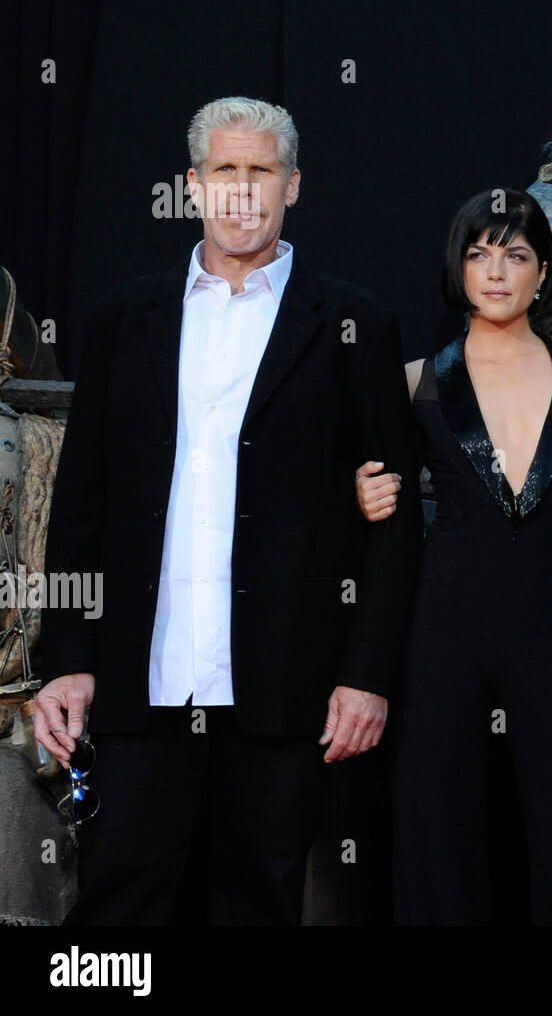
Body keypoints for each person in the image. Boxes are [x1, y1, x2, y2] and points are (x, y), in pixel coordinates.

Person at [33, 97, 422, 925]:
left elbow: (394, 527)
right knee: (116, 911)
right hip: (143, 683)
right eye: (223, 171)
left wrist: (365, 674)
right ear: (192, 186)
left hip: (283, 689)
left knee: (257, 905)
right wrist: (64, 652)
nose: (241, 191)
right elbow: (79, 505)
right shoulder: (118, 320)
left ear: (293, 185)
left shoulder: (357, 324)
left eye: (260, 171)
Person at [357, 188, 552, 924]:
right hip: (443, 627)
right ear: (457, 265)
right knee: (435, 824)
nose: (495, 269)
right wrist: (360, 487)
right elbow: (349, 480)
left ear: (542, 272)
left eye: (515, 253)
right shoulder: (414, 380)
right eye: (479, 252)